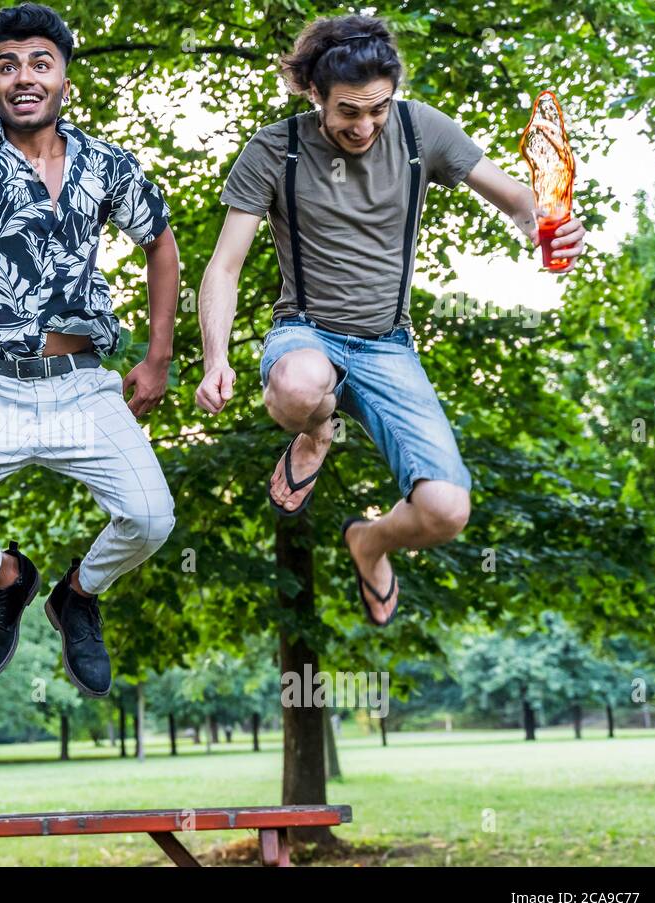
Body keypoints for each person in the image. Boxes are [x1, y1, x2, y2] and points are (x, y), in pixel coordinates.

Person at [196, 14, 587, 625]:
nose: (366, 126)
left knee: (446, 511)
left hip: (389, 347)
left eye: (378, 108)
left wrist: (549, 225)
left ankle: (369, 543)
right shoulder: (275, 150)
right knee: (299, 386)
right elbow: (224, 268)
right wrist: (216, 357)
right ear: (313, 94)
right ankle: (317, 429)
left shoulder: (420, 129)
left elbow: (517, 200)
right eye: (349, 111)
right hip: (307, 332)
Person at [0, 4, 179, 696]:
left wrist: (158, 355)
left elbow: (159, 239)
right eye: (7, 64)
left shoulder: (105, 163)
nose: (23, 76)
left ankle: (79, 592)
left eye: (39, 63)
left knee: (151, 517)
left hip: (83, 386)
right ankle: (11, 580)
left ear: (64, 81)